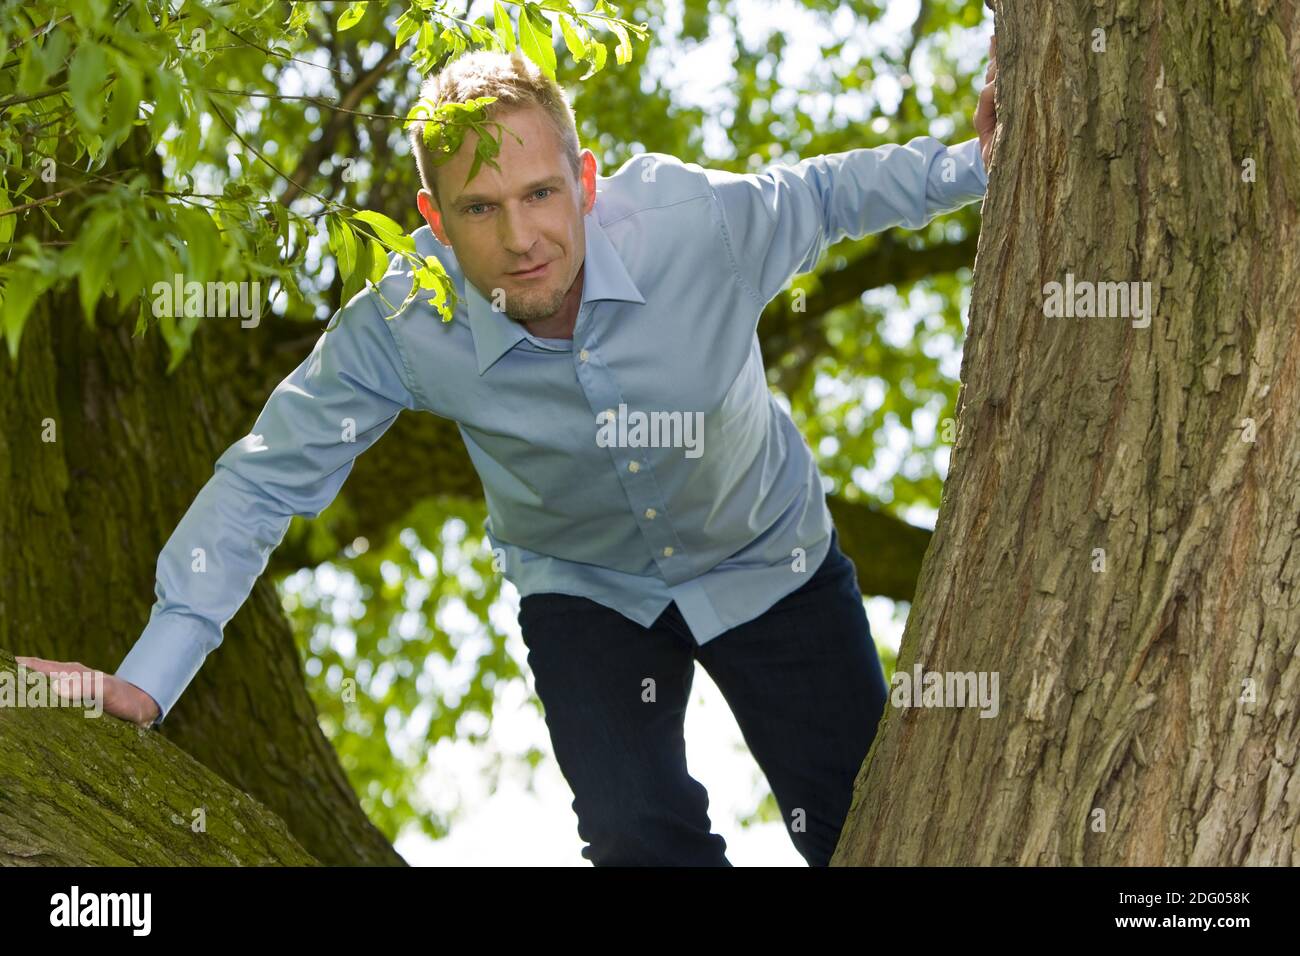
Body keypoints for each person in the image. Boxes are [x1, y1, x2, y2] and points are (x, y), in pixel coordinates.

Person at [21, 41, 997, 866]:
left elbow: (827, 195)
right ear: (434, 220)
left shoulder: (694, 225)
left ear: (585, 181)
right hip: (585, 589)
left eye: (540, 193)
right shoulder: (405, 319)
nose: (522, 237)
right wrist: (149, 673)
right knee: (635, 836)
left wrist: (978, 162)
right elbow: (268, 472)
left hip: (766, 553)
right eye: (481, 208)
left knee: (874, 823)